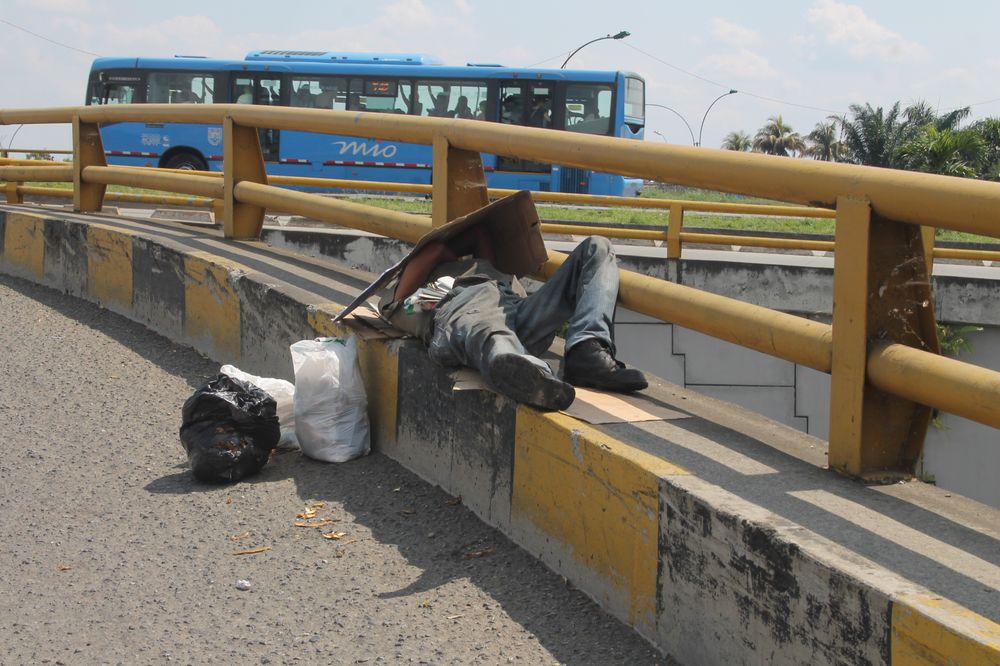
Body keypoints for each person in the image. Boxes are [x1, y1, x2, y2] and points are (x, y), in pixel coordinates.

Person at [381, 222, 647, 412]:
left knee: (597, 247)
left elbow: (481, 232)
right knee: (490, 333)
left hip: (515, 308)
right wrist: (446, 252)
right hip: (467, 310)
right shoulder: (415, 294)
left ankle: (585, 349)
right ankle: (526, 371)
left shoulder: (487, 270)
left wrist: (461, 247)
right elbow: (432, 251)